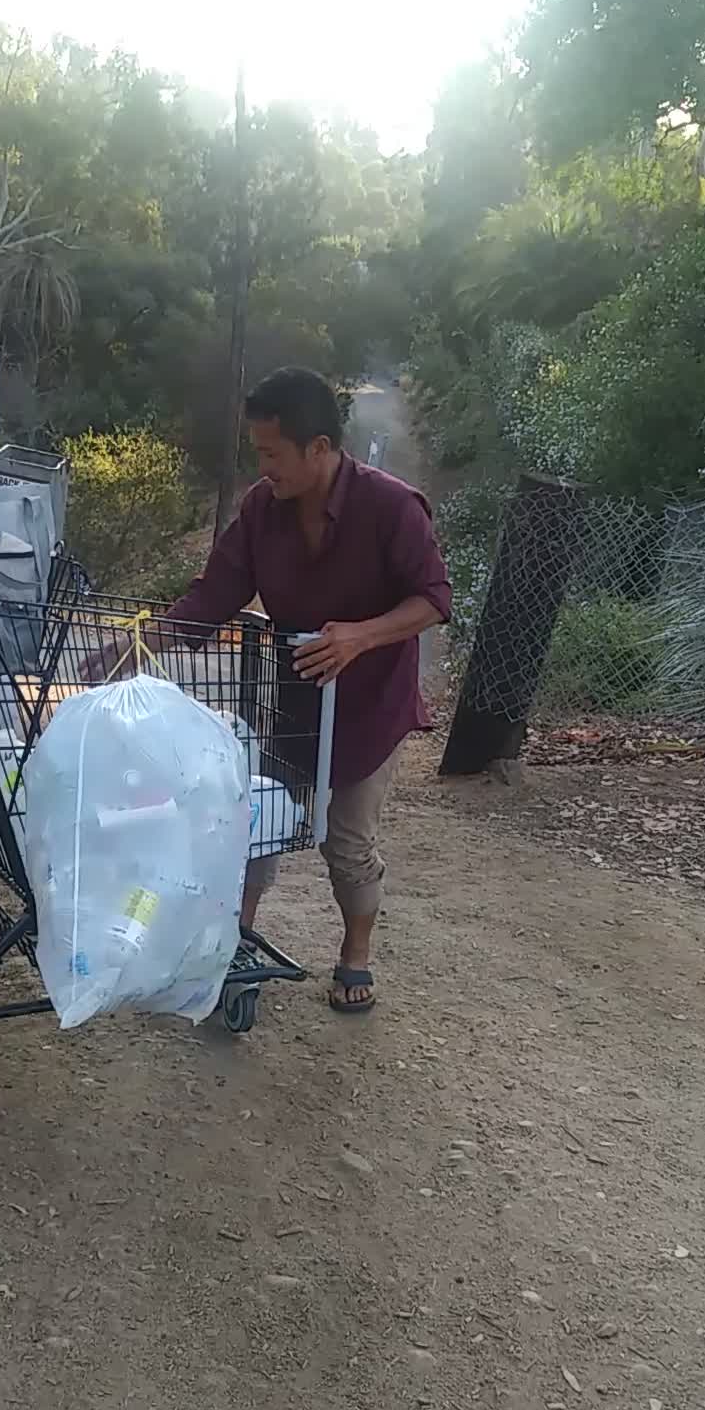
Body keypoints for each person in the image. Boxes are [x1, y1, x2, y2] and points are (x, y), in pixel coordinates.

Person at [167, 367, 451, 1015]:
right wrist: (136, 643)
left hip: (369, 706)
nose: (261, 467)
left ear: (318, 448)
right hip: (295, 702)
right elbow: (215, 593)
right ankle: (232, 941)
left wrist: (360, 637)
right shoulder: (263, 510)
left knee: (344, 841)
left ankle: (356, 955)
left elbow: (434, 600)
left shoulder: (391, 507)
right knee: (256, 818)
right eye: (257, 452)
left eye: (271, 453)